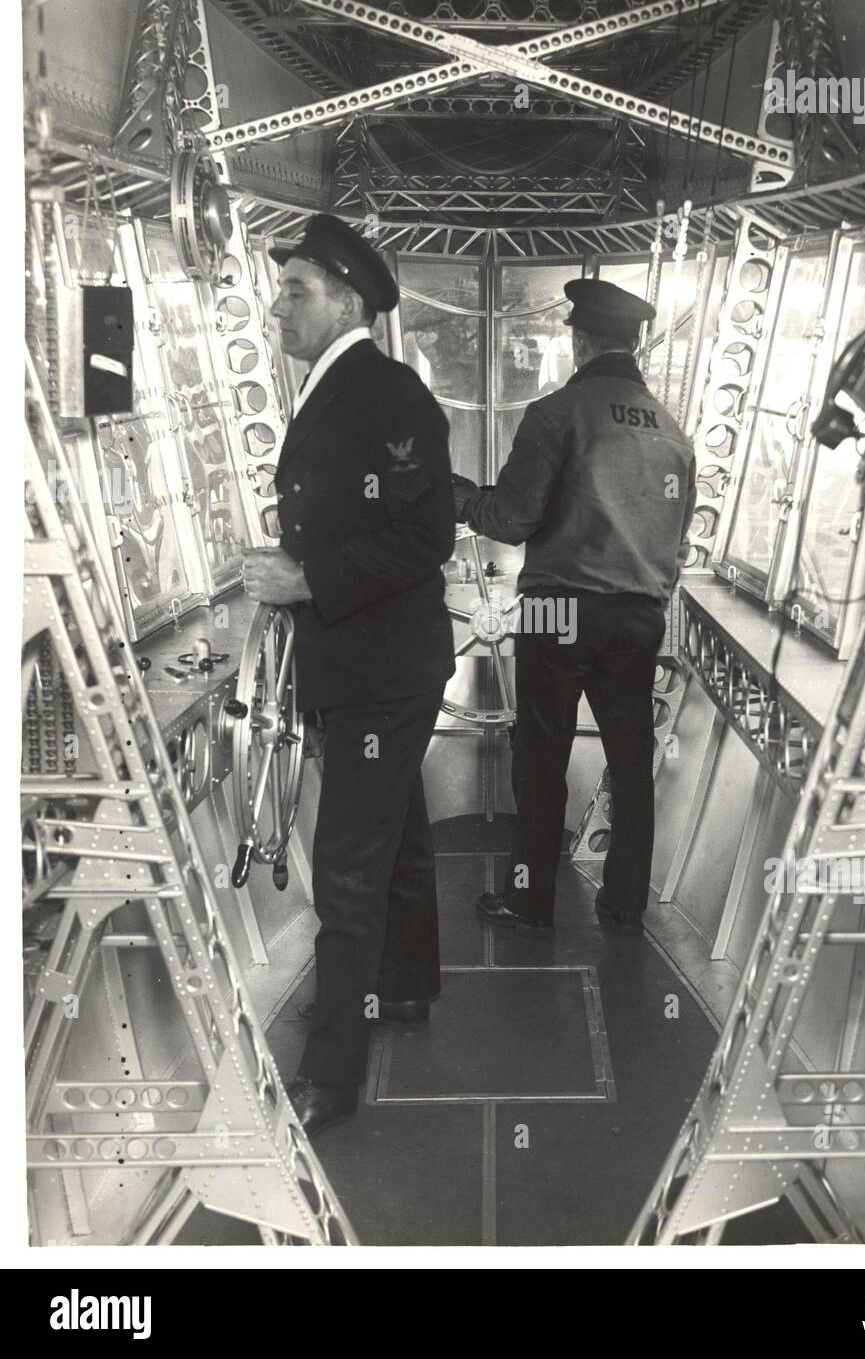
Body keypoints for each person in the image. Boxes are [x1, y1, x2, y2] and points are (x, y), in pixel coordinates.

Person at [242, 214, 456, 1136]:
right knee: (396, 834)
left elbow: (423, 535)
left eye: (295, 290)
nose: (276, 306)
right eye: (280, 287)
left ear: (345, 300)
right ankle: (405, 987)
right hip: (362, 662)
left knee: (347, 870)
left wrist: (307, 577)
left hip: (382, 669)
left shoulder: (389, 393)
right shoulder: (334, 388)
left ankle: (331, 1075)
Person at [453, 279, 696, 935]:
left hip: (556, 609)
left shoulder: (557, 414)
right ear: (634, 342)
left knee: (539, 758)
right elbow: (675, 540)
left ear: (578, 338)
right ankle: (623, 904)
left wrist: (454, 495)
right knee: (629, 759)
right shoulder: (673, 434)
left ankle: (529, 901)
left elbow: (509, 519)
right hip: (638, 614)